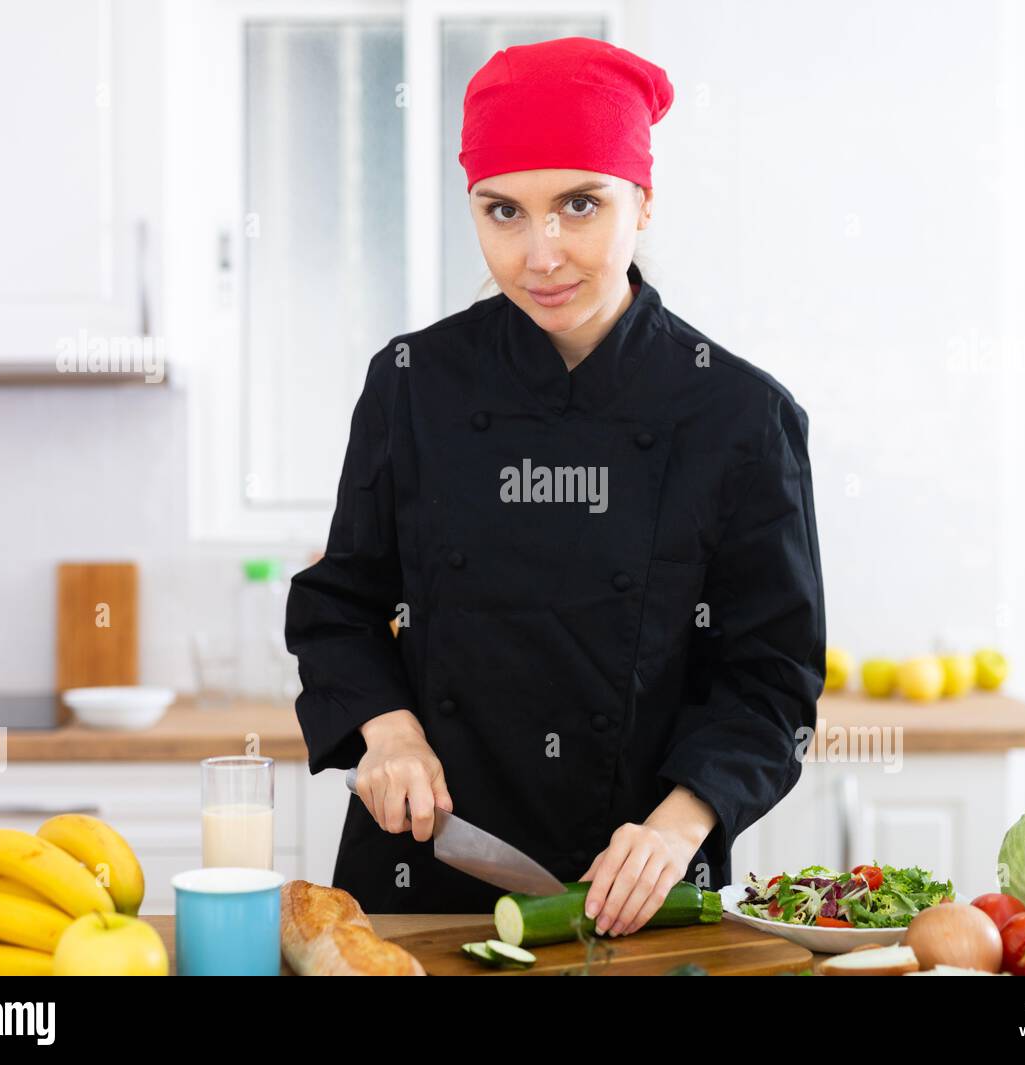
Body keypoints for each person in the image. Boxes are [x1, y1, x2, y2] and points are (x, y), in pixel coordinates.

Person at [285, 36, 825, 938]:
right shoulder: (413, 381)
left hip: (635, 887)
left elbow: (770, 680)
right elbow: (339, 603)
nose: (542, 254)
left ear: (644, 201)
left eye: (581, 204)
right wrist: (387, 729)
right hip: (420, 867)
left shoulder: (741, 416)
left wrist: (678, 823)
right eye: (503, 211)